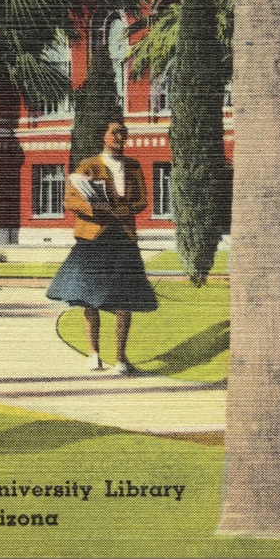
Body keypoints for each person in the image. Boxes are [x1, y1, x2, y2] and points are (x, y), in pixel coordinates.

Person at [46, 120, 158, 375]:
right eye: (115, 133)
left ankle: (120, 358)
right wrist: (96, 208)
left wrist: (122, 211)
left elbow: (142, 200)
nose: (121, 137)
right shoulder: (88, 165)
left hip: (123, 238)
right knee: (89, 297)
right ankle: (93, 354)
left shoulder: (133, 165)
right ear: (104, 136)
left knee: (125, 298)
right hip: (94, 238)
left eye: (124, 133)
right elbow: (70, 200)